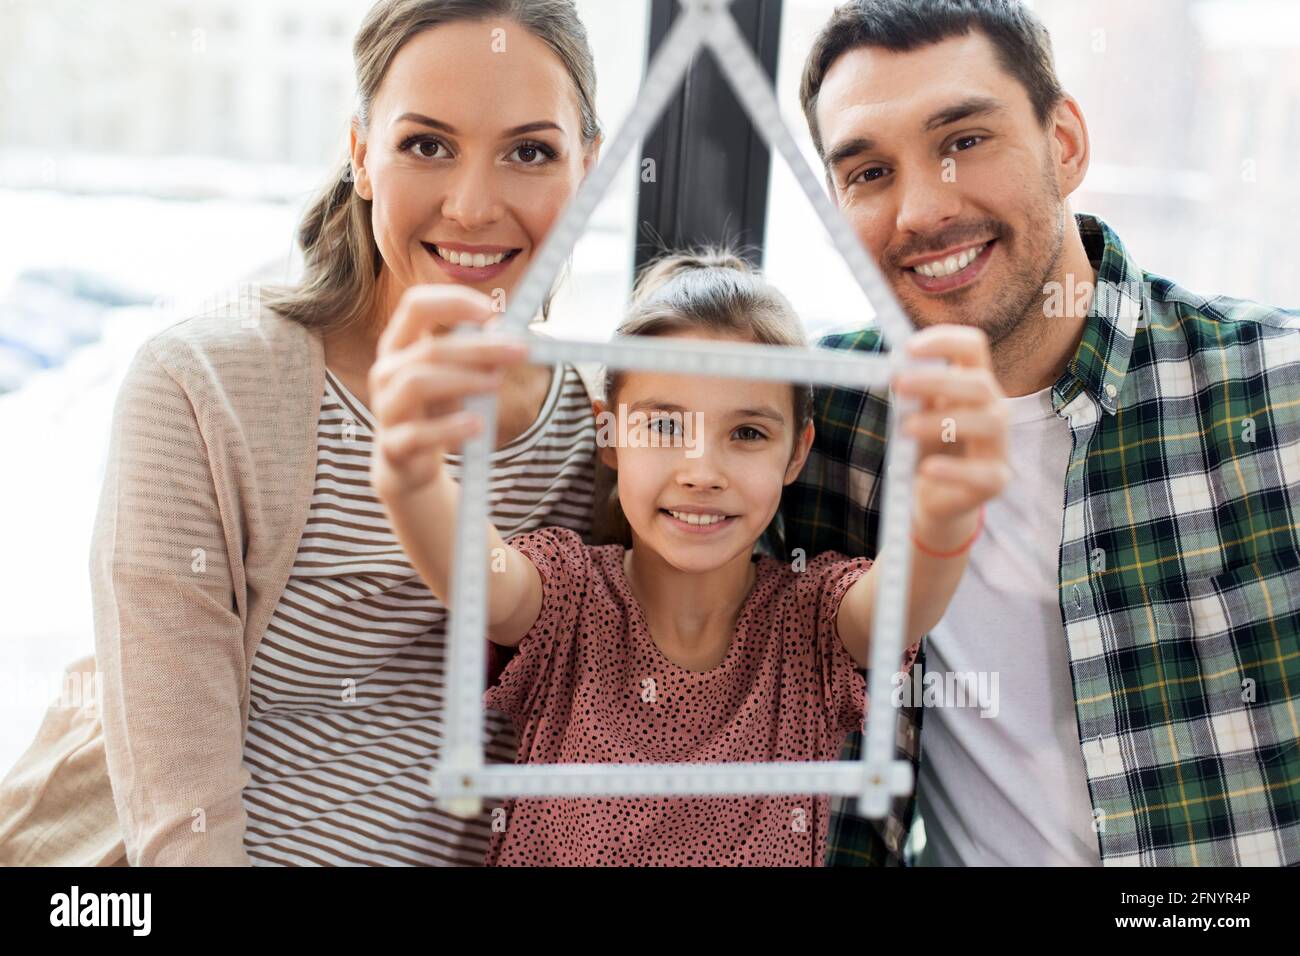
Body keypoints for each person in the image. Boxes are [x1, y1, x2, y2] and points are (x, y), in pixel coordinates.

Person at [81, 0, 607, 866]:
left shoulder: (605, 434)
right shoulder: (202, 390)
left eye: (529, 152)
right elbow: (183, 823)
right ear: (362, 156)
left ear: (586, 169)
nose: (472, 207)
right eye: (426, 145)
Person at [783, 0, 1300, 866]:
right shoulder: (812, 421)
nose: (919, 210)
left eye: (965, 140)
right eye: (869, 173)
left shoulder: (1275, 390)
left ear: (1064, 144)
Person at [369, 247, 1009, 865]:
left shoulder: (813, 619)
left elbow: (904, 603)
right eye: (666, 425)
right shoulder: (568, 597)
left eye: (747, 433)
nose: (702, 471)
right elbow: (476, 576)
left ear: (796, 451)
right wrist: (411, 475)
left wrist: (946, 513)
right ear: (609, 433)